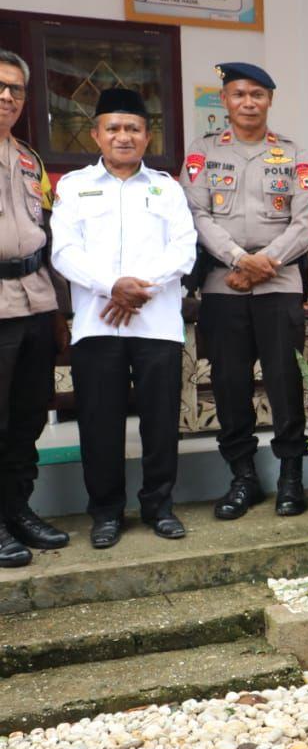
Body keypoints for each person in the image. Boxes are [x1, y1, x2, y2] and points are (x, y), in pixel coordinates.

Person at [51, 88, 196, 548]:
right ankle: (106, 513)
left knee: (159, 420)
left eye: (132, 128)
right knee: (99, 422)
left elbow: (184, 250)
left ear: (146, 136)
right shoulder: (73, 187)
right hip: (97, 323)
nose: (123, 136)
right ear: (96, 134)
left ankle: (159, 507)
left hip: (157, 325)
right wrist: (110, 286)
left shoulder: (167, 188)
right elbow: (64, 251)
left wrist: (137, 288)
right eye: (113, 128)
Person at [180, 62, 308, 521]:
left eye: (257, 94)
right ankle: (243, 478)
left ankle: (291, 478)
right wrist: (240, 261)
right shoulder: (202, 153)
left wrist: (263, 265)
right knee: (230, 383)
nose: (248, 102)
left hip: (280, 281)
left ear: (269, 100)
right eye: (239, 94)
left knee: (285, 381)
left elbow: (304, 225)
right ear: (225, 100)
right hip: (223, 282)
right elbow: (197, 217)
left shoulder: (294, 154)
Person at [0, 49, 70, 568]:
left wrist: (58, 311)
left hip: (34, 298)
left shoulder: (30, 159)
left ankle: (19, 511)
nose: (6, 97)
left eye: (15, 89)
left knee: (27, 419)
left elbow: (47, 235)